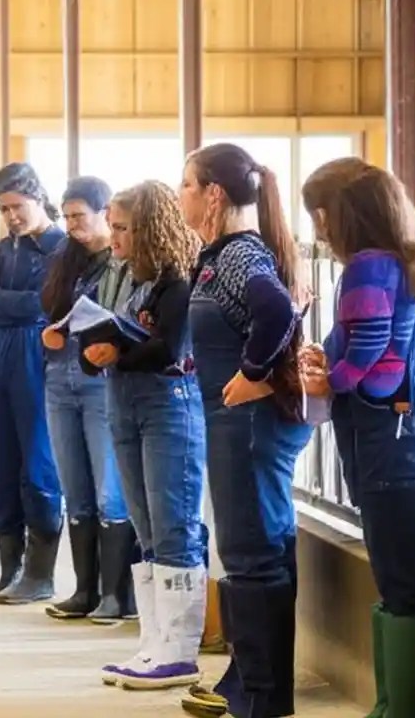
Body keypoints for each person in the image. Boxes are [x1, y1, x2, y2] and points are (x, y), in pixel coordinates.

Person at [299, 157, 415, 718]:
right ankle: (390, 704)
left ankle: (399, 709)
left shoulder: (365, 267)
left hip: (390, 438)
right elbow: (376, 346)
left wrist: (327, 378)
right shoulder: (398, 262)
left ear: (340, 214)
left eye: (319, 212)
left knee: (401, 581)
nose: (317, 225)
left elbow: (372, 361)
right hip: (407, 435)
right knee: (396, 576)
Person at [175, 142, 315, 716]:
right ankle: (252, 682)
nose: (179, 194)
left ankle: (261, 697)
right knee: (262, 549)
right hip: (234, 422)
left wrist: (252, 371)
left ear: (213, 193)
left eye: (185, 184)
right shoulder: (219, 253)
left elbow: (277, 312)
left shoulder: (239, 254)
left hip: (247, 424)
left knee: (250, 554)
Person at [79, 180, 208, 690]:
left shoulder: (179, 280)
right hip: (124, 400)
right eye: (111, 228)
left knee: (173, 521)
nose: (113, 239)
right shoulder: (131, 280)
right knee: (146, 525)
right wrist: (96, 353)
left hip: (169, 405)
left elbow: (170, 348)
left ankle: (180, 650)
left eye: (122, 229)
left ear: (150, 229)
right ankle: (155, 643)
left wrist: (119, 353)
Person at [38, 176, 139, 623]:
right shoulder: (67, 258)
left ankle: (115, 595)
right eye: (66, 216)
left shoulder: (122, 262)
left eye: (79, 215)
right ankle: (84, 589)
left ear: (105, 214)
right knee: (73, 486)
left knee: (108, 488)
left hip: (101, 381)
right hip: (60, 377)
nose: (71, 224)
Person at [0, 162, 67, 605]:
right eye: (2, 208)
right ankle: (9, 567)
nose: (10, 216)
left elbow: (49, 305)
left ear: (39, 197)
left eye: (17, 205)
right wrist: (22, 305)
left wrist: (10, 304)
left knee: (38, 462)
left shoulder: (62, 248)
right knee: (0, 461)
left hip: (37, 355)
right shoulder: (5, 248)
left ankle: (39, 572)